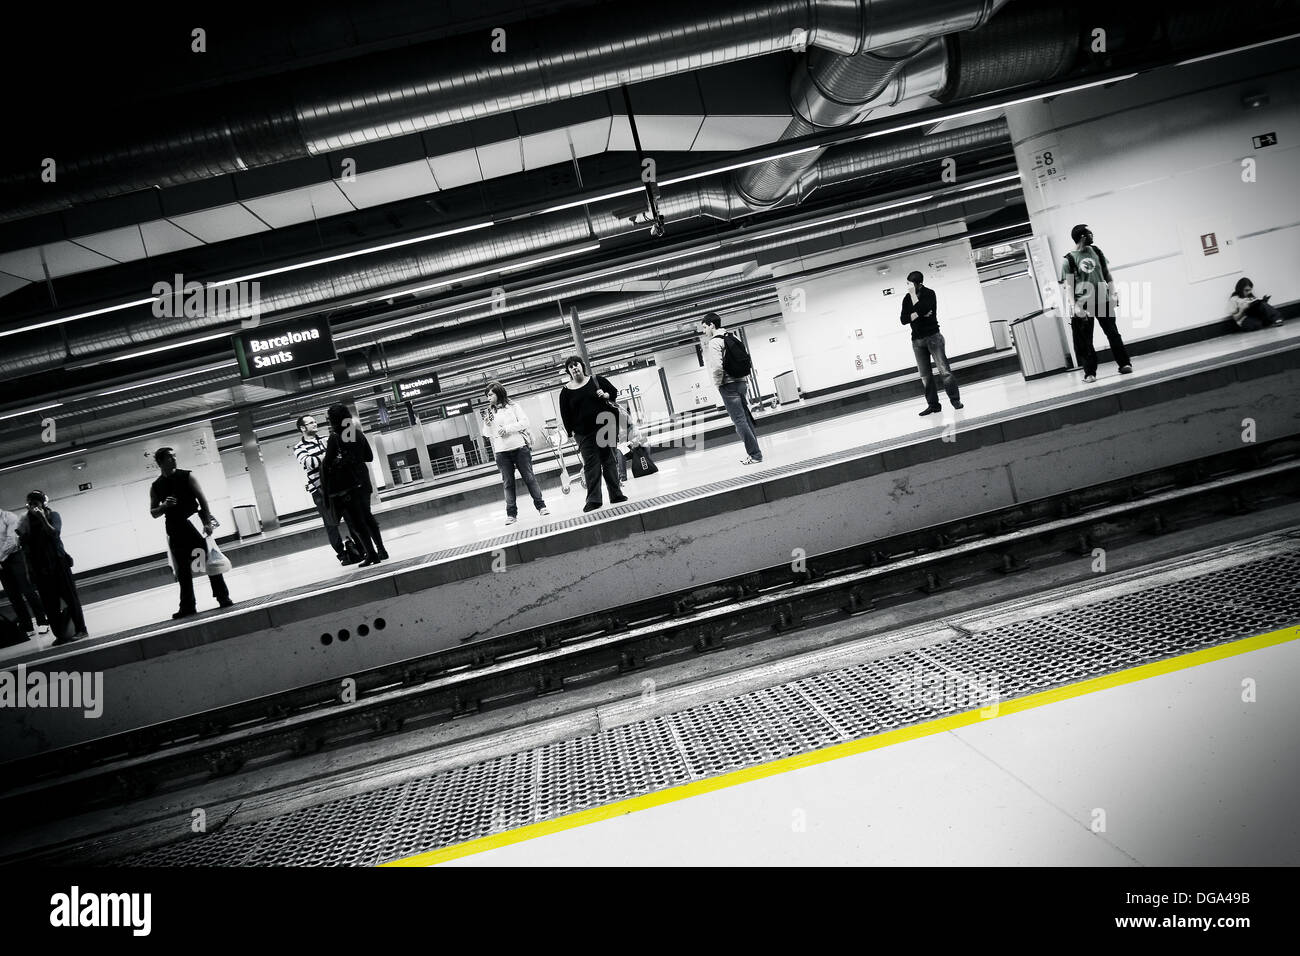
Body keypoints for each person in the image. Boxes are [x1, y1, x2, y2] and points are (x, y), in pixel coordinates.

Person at [149, 448, 233, 619]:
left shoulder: (187, 476)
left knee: (209, 561)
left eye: (174, 456)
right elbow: (153, 512)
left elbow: (202, 499)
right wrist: (164, 506)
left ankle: (222, 597)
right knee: (183, 571)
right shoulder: (156, 486)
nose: (174, 459)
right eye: (169, 457)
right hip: (175, 529)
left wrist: (208, 522)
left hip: (194, 526)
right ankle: (187, 606)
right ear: (160, 462)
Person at [1060, 224, 1132, 383]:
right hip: (1083, 304)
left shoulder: (1097, 251)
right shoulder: (1069, 260)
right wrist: (1075, 307)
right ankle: (1089, 373)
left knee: (1113, 334)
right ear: (1083, 237)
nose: (1093, 235)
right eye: (1090, 233)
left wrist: (1114, 293)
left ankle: (1125, 364)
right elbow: (1069, 286)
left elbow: (1107, 274)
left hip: (1103, 301)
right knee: (1086, 340)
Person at [558, 356, 628, 513]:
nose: (574, 368)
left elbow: (614, 392)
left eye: (576, 364)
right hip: (583, 433)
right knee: (591, 465)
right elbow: (565, 414)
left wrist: (606, 395)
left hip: (606, 427)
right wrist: (570, 433)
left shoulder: (597, 380)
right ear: (568, 371)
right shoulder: (566, 392)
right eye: (570, 366)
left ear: (582, 366)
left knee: (609, 461)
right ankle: (594, 500)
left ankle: (616, 494)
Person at [322, 403, 388, 566]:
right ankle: (381, 550)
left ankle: (372, 554)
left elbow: (328, 463)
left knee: (357, 522)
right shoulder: (356, 433)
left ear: (333, 420)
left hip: (349, 485)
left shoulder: (336, 436)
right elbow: (369, 457)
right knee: (367, 516)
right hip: (363, 481)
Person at [17, 491, 87, 641]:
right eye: (30, 504)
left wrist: (42, 518)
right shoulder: (25, 522)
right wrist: (29, 572)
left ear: (43, 504)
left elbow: (54, 533)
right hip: (39, 568)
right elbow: (25, 549)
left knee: (71, 599)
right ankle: (60, 634)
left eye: (35, 503)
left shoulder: (53, 515)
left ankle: (81, 630)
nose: (32, 506)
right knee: (50, 604)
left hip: (58, 564)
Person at [294, 413, 360, 565]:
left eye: (315, 422)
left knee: (351, 519)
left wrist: (326, 456)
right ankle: (342, 554)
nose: (315, 424)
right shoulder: (299, 448)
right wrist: (329, 454)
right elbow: (310, 462)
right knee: (331, 525)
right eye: (311, 423)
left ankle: (360, 548)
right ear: (303, 428)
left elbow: (339, 455)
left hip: (338, 487)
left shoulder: (326, 439)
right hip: (320, 491)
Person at [701, 313, 763, 464]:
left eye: (704, 327)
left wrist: (718, 384)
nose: (704, 331)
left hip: (728, 385)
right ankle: (756, 452)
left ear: (712, 325)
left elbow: (716, 367)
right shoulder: (733, 336)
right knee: (746, 418)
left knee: (739, 421)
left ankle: (755, 455)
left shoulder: (715, 342)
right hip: (741, 382)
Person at [484, 382, 550, 525]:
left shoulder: (513, 407)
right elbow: (487, 433)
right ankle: (511, 514)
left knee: (529, 478)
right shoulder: (489, 412)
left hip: (520, 448)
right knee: (508, 483)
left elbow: (525, 422)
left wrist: (508, 429)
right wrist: (488, 425)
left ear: (498, 393)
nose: (488, 398)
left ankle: (541, 506)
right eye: (487, 396)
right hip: (501, 452)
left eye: (490, 395)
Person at [900, 270, 963, 415]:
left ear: (918, 283)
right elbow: (903, 319)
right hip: (917, 340)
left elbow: (923, 308)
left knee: (945, 372)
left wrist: (915, 312)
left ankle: (955, 401)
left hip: (933, 337)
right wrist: (919, 314)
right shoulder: (906, 298)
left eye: (909, 284)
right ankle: (933, 405)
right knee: (925, 376)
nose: (907, 286)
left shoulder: (930, 293)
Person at [1, 506, 50, 642]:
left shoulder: (9, 517)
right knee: (13, 596)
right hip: (1, 562)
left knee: (28, 591)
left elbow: (12, 541)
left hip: (15, 557)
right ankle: (27, 626)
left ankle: (42, 622)